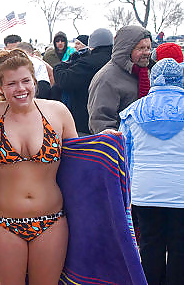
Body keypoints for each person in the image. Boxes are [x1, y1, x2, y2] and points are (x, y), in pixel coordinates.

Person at [0, 48, 77, 284]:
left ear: (35, 81)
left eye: (26, 81)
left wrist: (106, 142)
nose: (21, 88)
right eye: (12, 83)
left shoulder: (58, 112)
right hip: (4, 222)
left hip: (52, 220)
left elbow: (81, 161)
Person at [119, 58, 184, 285]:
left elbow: (123, 156)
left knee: (149, 243)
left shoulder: (132, 112)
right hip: (181, 192)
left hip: (144, 191)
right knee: (180, 247)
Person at [88, 25, 152, 133]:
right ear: (126, 50)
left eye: (149, 48)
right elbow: (100, 121)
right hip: (124, 145)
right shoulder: (106, 78)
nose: (147, 52)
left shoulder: (147, 73)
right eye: (141, 48)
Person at [53, 28, 114, 135]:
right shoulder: (118, 60)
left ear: (92, 45)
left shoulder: (89, 62)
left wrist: (63, 64)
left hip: (86, 119)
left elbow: (64, 79)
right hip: (114, 118)